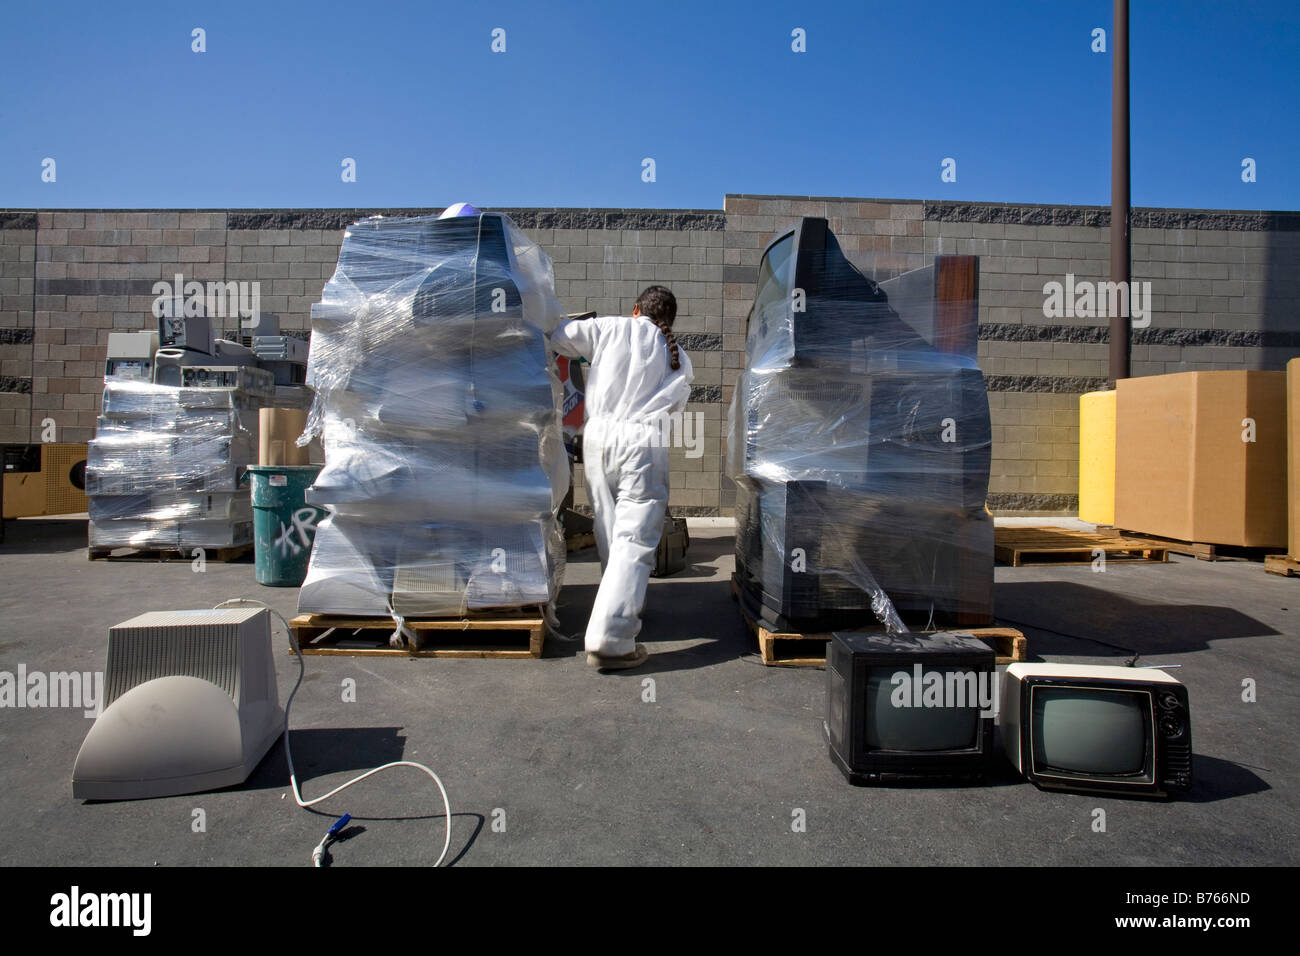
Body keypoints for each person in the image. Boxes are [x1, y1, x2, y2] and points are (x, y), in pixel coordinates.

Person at [551, 286, 694, 670]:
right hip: (644, 441)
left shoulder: (609, 328)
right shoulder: (680, 358)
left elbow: (559, 336)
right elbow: (675, 408)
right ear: (670, 321)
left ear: (636, 310)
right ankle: (612, 637)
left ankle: (617, 611)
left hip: (597, 438)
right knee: (634, 538)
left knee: (608, 529)